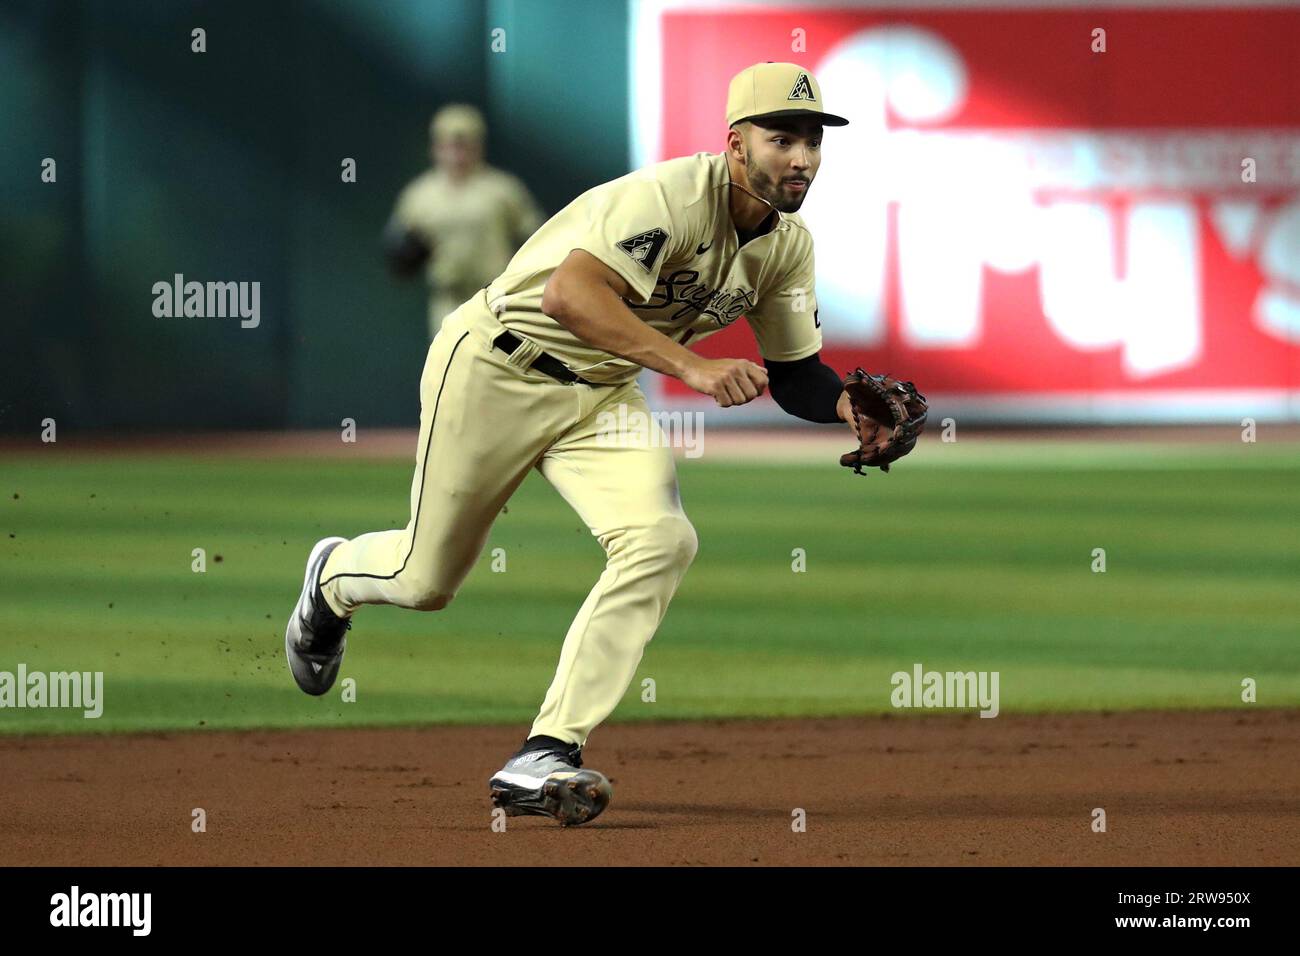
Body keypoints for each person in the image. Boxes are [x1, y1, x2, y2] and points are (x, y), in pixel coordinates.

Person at [286, 62, 862, 826]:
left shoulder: (787, 247)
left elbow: (797, 375)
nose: (801, 158)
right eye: (781, 137)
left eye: (812, 141)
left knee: (661, 540)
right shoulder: (667, 198)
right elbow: (570, 294)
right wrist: (691, 365)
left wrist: (854, 408)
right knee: (426, 581)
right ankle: (331, 579)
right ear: (735, 144)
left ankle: (548, 749)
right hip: (499, 365)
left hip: (601, 396)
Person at [384, 104, 544, 337]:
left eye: (465, 146)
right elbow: (398, 243)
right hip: (448, 297)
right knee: (447, 364)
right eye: (449, 146)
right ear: (436, 147)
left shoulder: (501, 190)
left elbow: (536, 235)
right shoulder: (420, 194)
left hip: (496, 297)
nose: (457, 155)